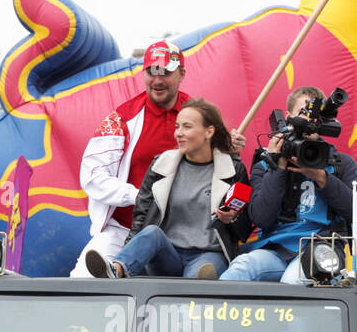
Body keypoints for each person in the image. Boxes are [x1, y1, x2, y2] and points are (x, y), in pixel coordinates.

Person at [71, 41, 245, 277]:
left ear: (182, 74)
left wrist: (230, 148)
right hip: (126, 228)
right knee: (85, 278)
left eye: (166, 71)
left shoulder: (197, 115)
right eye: (152, 71)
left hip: (192, 234)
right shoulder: (121, 118)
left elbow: (224, 167)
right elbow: (91, 176)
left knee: (197, 291)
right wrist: (144, 196)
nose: (158, 79)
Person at [84, 98, 248, 279]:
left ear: (208, 132)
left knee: (203, 271)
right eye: (177, 127)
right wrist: (130, 253)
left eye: (187, 127)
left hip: (208, 254)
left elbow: (246, 227)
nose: (179, 133)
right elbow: (141, 217)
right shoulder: (160, 165)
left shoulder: (233, 168)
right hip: (167, 254)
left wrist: (233, 218)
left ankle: (198, 289)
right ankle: (117, 269)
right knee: (152, 232)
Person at [219, 86, 357, 283]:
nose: (310, 121)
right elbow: (261, 218)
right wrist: (278, 165)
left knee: (293, 280)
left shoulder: (342, 164)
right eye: (303, 113)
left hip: (321, 249)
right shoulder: (264, 164)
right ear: (288, 116)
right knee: (241, 268)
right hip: (274, 249)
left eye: (317, 116)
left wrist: (321, 177)